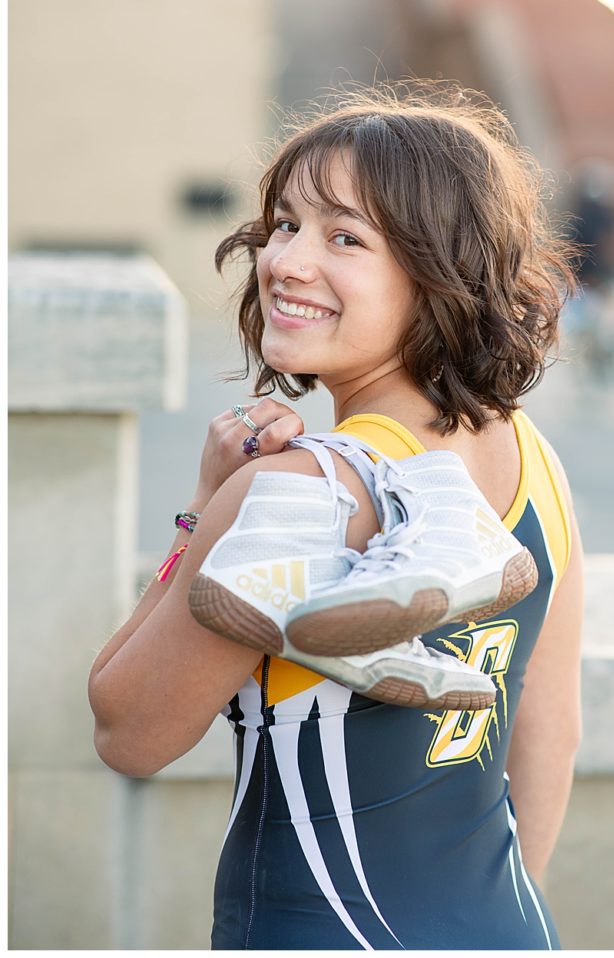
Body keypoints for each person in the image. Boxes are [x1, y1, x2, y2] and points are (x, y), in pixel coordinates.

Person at [88, 84, 584, 947]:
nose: (285, 261)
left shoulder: (295, 492)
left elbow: (127, 730)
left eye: (344, 237)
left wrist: (202, 508)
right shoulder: (536, 464)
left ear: (438, 271)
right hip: (502, 925)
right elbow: (549, 730)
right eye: (284, 225)